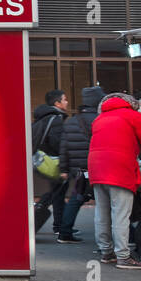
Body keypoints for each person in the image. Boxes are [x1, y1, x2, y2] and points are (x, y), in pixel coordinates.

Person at [88, 91, 141, 269]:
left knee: (102, 213)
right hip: (119, 169)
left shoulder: (100, 118)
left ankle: (106, 252)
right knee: (121, 214)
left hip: (97, 168)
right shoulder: (133, 116)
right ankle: (123, 256)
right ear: (131, 104)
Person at [56, 85, 103, 245]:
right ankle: (119, 239)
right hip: (99, 167)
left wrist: (64, 168)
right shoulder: (101, 119)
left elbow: (64, 147)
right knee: (108, 202)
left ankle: (65, 232)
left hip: (78, 171)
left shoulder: (71, 121)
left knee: (76, 199)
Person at [31, 89, 69, 232]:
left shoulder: (43, 116)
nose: (66, 102)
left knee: (56, 192)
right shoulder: (56, 119)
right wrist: (64, 160)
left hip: (42, 159)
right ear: (57, 103)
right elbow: (57, 143)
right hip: (53, 161)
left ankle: (60, 225)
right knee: (57, 192)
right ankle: (61, 227)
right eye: (64, 99)